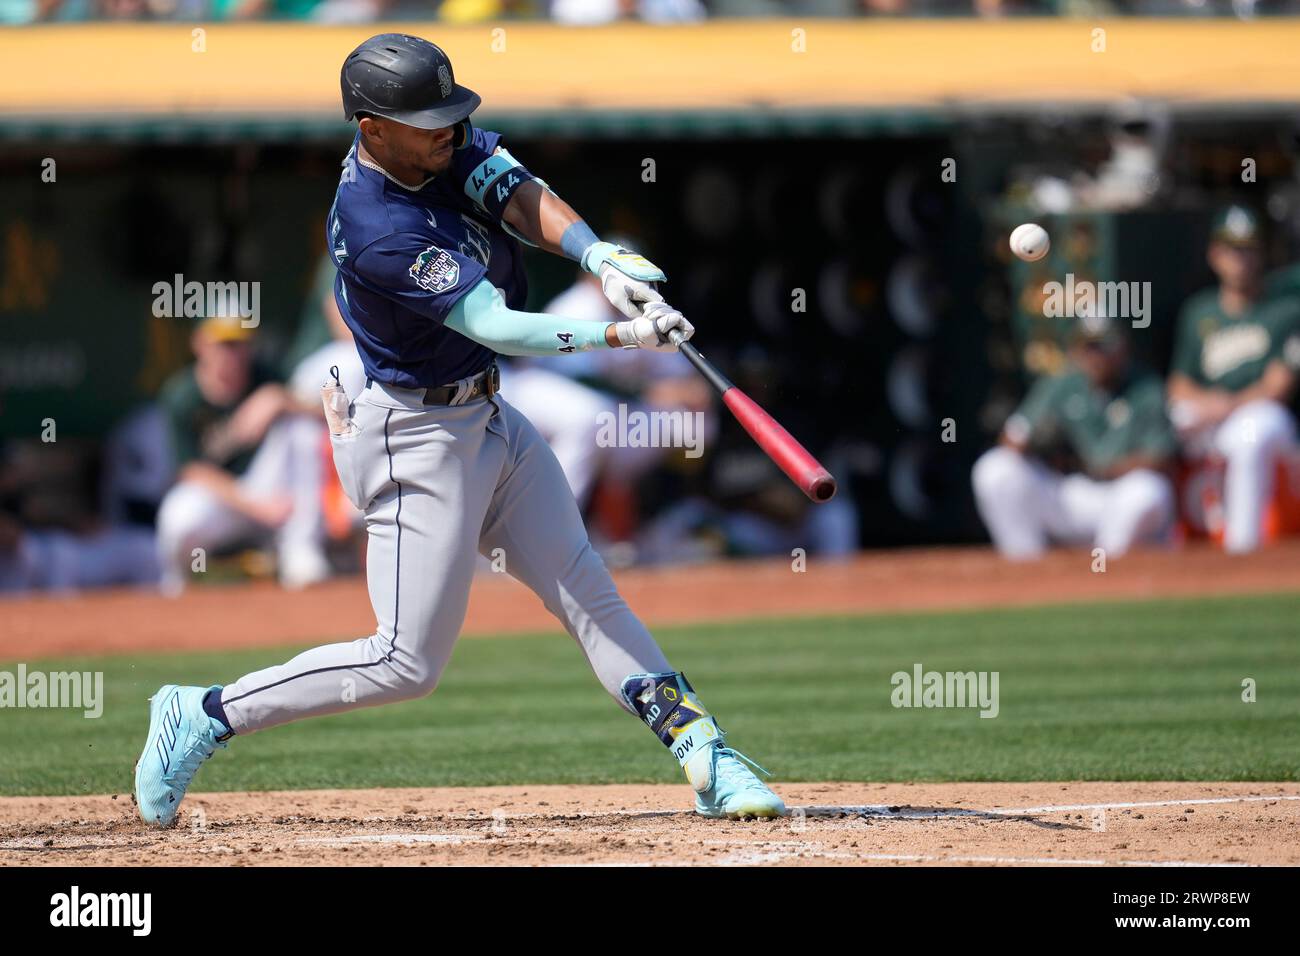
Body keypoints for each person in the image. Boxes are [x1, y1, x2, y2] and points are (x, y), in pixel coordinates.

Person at [134, 33, 784, 826]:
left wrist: (598, 258)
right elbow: (497, 324)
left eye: (450, 114)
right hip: (412, 438)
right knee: (405, 663)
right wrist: (623, 338)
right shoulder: (375, 224)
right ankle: (202, 712)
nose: (448, 129)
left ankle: (704, 752)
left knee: (586, 586)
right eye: (428, 119)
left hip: (486, 414)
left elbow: (516, 191)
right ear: (373, 128)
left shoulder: (435, 148)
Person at [972, 313, 1176, 560]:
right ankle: (1026, 566)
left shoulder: (1145, 388)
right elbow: (1013, 437)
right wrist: (1039, 446)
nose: (1095, 356)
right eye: (1089, 347)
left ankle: (1105, 575)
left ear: (1122, 348)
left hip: (1118, 495)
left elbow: (1163, 458)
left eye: (1103, 346)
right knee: (995, 468)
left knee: (1149, 491)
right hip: (1070, 495)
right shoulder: (1063, 384)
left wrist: (1107, 468)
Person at [154, 313, 329, 593]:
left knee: (301, 428)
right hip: (226, 498)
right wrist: (254, 505)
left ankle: (301, 552)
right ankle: (179, 584)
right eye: (223, 344)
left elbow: (325, 416)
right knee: (177, 518)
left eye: (238, 343)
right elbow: (191, 471)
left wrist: (279, 398)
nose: (231, 353)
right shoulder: (182, 395)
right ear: (199, 345)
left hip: (273, 489)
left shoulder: (266, 376)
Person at [1167, 206, 1300, 553]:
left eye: (1248, 248)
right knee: (1168, 420)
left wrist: (1228, 405)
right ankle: (1166, 544)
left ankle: (1242, 549)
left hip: (1265, 417)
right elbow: (1178, 384)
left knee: (1250, 433)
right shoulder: (1199, 311)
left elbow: (1277, 388)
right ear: (1215, 254)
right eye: (1232, 249)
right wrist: (1209, 404)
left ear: (1262, 254)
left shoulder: (1286, 310)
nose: (1240, 258)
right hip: (1214, 413)